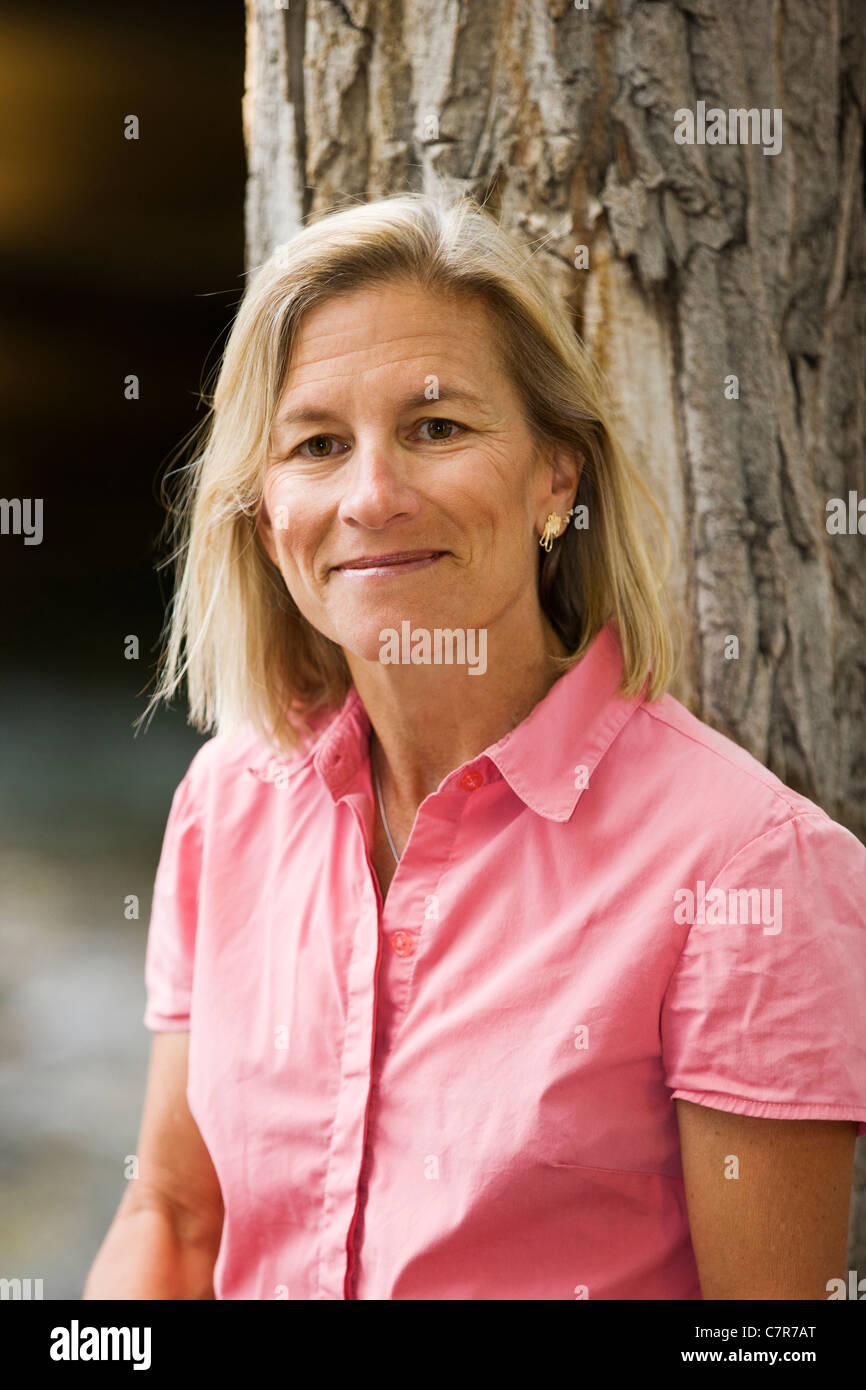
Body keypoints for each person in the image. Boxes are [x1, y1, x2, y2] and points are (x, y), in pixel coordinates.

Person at [83, 192, 866, 1301]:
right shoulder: (228, 803)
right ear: (267, 516)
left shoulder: (748, 867)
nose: (372, 496)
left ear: (557, 474)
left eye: (436, 427)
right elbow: (170, 1223)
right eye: (316, 444)